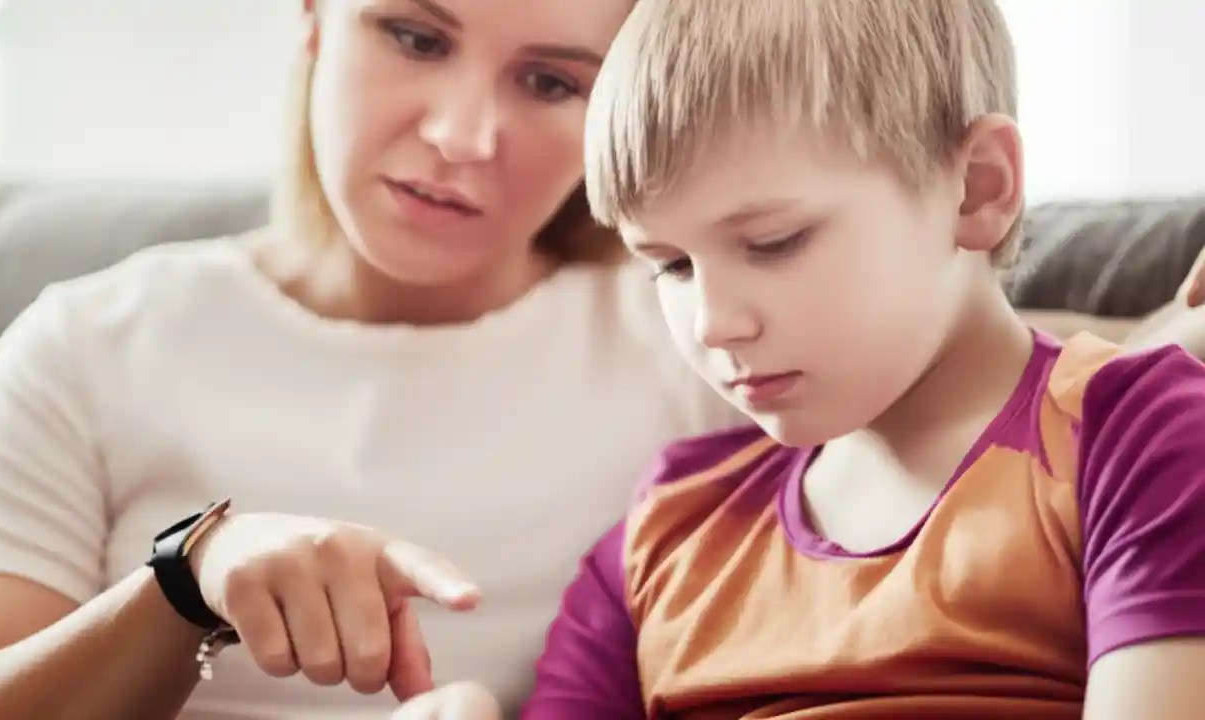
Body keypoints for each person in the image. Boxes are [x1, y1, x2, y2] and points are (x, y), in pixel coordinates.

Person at [0, 0, 1202, 719]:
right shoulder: (84, 341)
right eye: (414, 35)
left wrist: (1160, 362)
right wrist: (189, 574)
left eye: (549, 80)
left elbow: (971, 376)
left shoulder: (705, 369)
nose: (462, 133)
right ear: (312, 15)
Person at [398, 0, 1205, 718]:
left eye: (772, 243)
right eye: (672, 265)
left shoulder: (1132, 435)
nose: (713, 323)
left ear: (977, 189)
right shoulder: (665, 532)